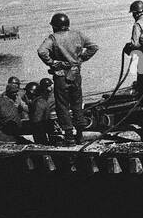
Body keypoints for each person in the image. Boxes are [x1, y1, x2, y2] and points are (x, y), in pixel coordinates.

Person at [36, 12, 98, 143]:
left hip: (61, 76)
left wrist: (53, 63)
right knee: (77, 103)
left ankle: (69, 137)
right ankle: (80, 135)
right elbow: (93, 47)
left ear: (55, 26)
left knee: (62, 106)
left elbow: (42, 51)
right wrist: (80, 59)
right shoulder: (78, 35)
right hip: (75, 74)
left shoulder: (53, 38)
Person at [27, 79, 56, 144]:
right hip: (45, 125)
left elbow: (37, 121)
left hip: (41, 129)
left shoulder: (38, 102)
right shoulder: (40, 100)